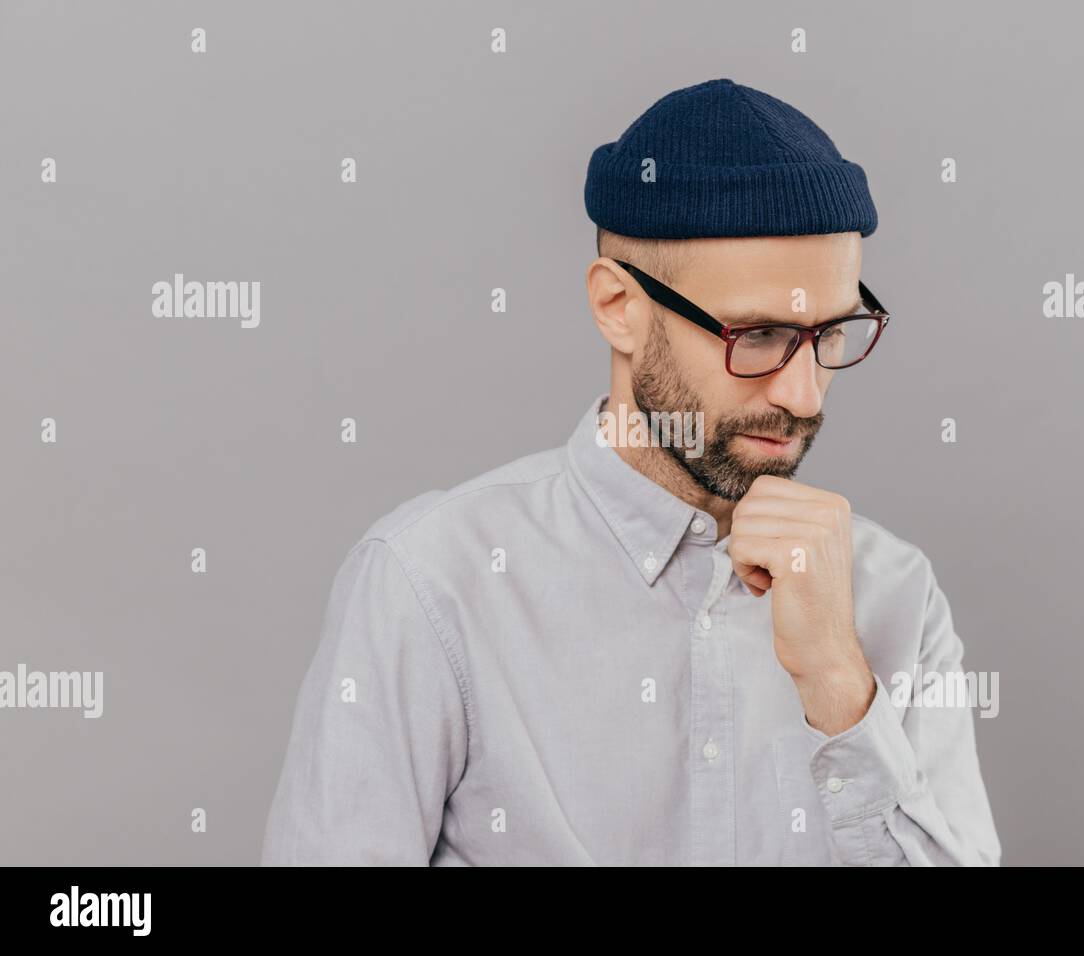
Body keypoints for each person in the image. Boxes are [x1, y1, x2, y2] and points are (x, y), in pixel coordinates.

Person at [262, 77, 1001, 866]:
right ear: (619, 306)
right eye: (757, 336)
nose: (804, 394)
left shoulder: (896, 597)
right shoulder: (432, 585)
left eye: (832, 332)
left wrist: (837, 682)